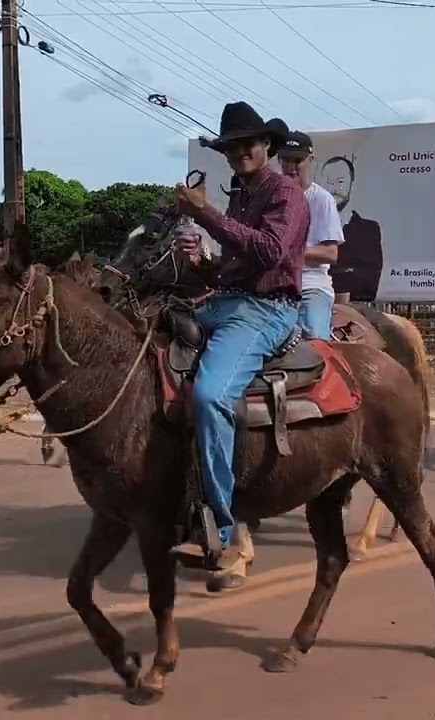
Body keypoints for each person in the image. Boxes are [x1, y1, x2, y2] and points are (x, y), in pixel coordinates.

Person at [171, 101, 309, 566]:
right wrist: (202, 263)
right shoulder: (242, 196)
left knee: (211, 395)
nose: (238, 153)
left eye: (246, 144)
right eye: (230, 148)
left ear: (266, 146)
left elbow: (270, 253)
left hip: (267, 310)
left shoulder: (286, 194)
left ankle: (221, 526)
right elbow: (232, 268)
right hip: (226, 303)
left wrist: (206, 214)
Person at [278, 130, 344, 339]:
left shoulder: (322, 199)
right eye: (287, 160)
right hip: (271, 288)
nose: (292, 166)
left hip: (310, 285)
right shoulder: (269, 198)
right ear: (279, 160)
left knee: (314, 343)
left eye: (298, 160)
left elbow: (331, 253)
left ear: (310, 160)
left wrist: (290, 252)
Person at [323, 156, 383, 301]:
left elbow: (369, 284)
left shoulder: (368, 230)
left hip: (354, 310)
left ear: (352, 184)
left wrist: (326, 275)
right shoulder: (310, 225)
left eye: (340, 181)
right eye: (329, 182)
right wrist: (346, 271)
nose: (334, 188)